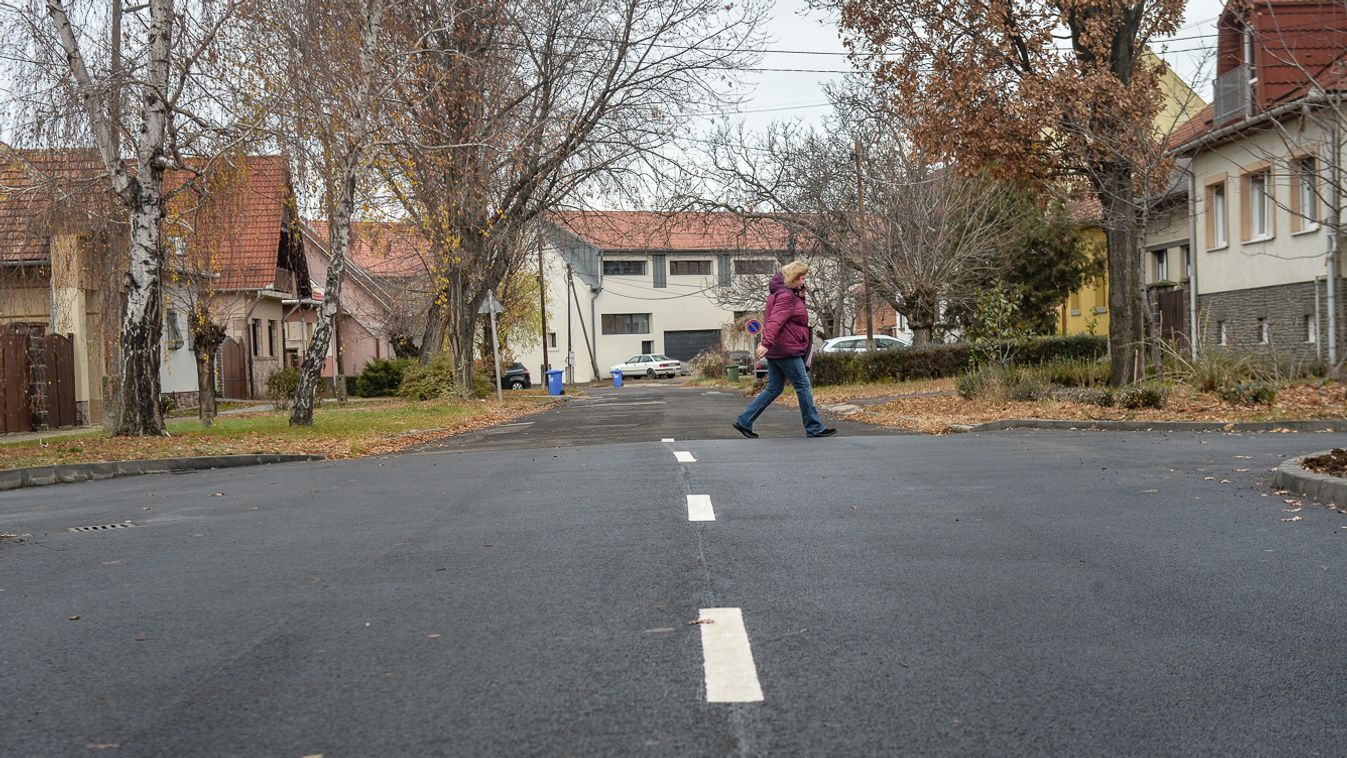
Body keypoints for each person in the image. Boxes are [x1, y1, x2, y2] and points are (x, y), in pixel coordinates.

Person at [732, 261, 837, 439]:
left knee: (774, 388)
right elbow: (776, 321)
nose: (804, 281)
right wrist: (765, 343)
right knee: (803, 385)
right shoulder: (786, 296)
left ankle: (744, 420)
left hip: (777, 349)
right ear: (793, 277)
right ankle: (814, 427)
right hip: (786, 349)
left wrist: (801, 296)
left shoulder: (781, 293)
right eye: (802, 278)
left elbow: (790, 316)